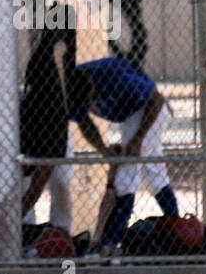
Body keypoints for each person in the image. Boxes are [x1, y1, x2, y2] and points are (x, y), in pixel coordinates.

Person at [67, 57, 179, 256]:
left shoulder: (114, 77)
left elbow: (156, 100)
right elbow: (84, 121)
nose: (90, 104)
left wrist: (137, 139)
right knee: (153, 176)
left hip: (146, 111)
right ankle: (177, 227)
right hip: (128, 116)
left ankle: (109, 243)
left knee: (125, 174)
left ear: (93, 85)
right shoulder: (72, 85)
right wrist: (102, 148)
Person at [19, 5, 76, 231]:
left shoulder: (71, 57)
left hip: (59, 128)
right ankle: (24, 228)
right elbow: (32, 96)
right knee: (27, 182)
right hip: (37, 128)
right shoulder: (40, 58)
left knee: (61, 183)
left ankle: (60, 232)